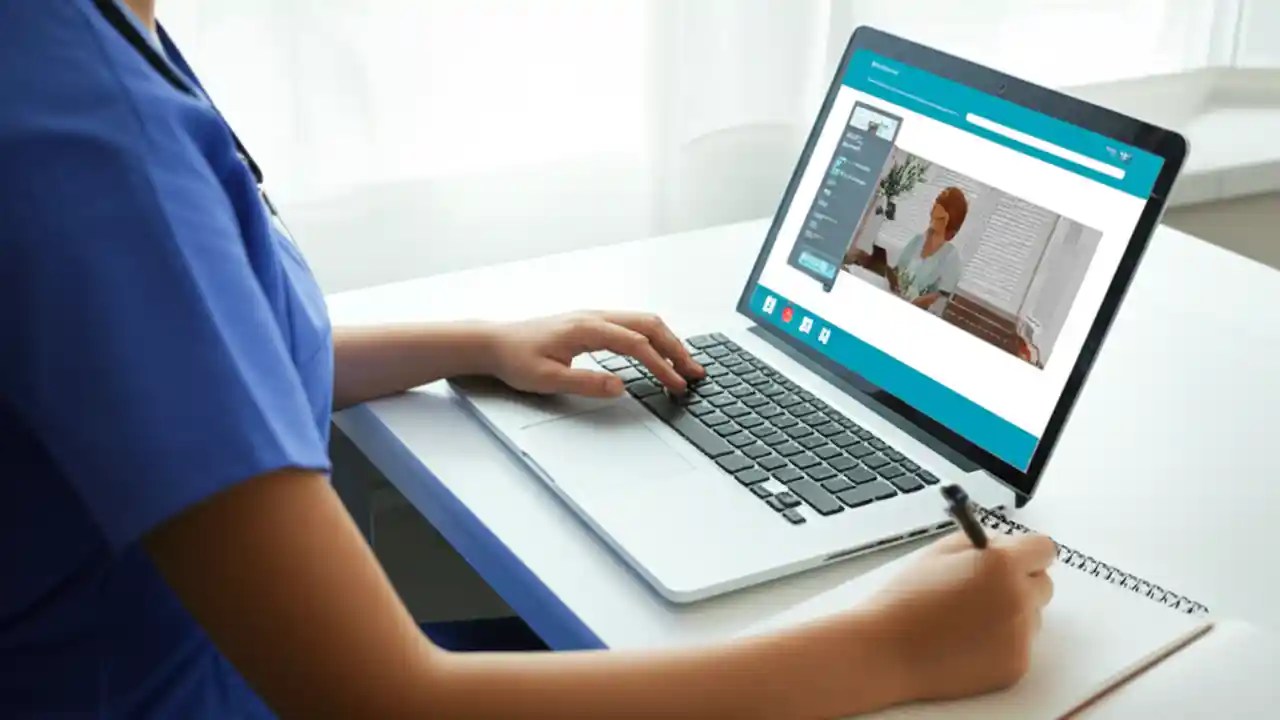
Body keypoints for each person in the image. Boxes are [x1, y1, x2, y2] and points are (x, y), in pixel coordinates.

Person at [0, 2, 1055, 717]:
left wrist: (475, 343)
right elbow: (379, 700)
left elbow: (159, 368)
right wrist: (896, 648)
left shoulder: (84, 36)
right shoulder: (95, 139)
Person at [887, 186, 969, 315]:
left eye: (940, 218)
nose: (933, 213)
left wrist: (914, 304)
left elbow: (939, 300)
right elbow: (897, 270)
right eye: (935, 207)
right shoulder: (917, 240)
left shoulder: (951, 258)